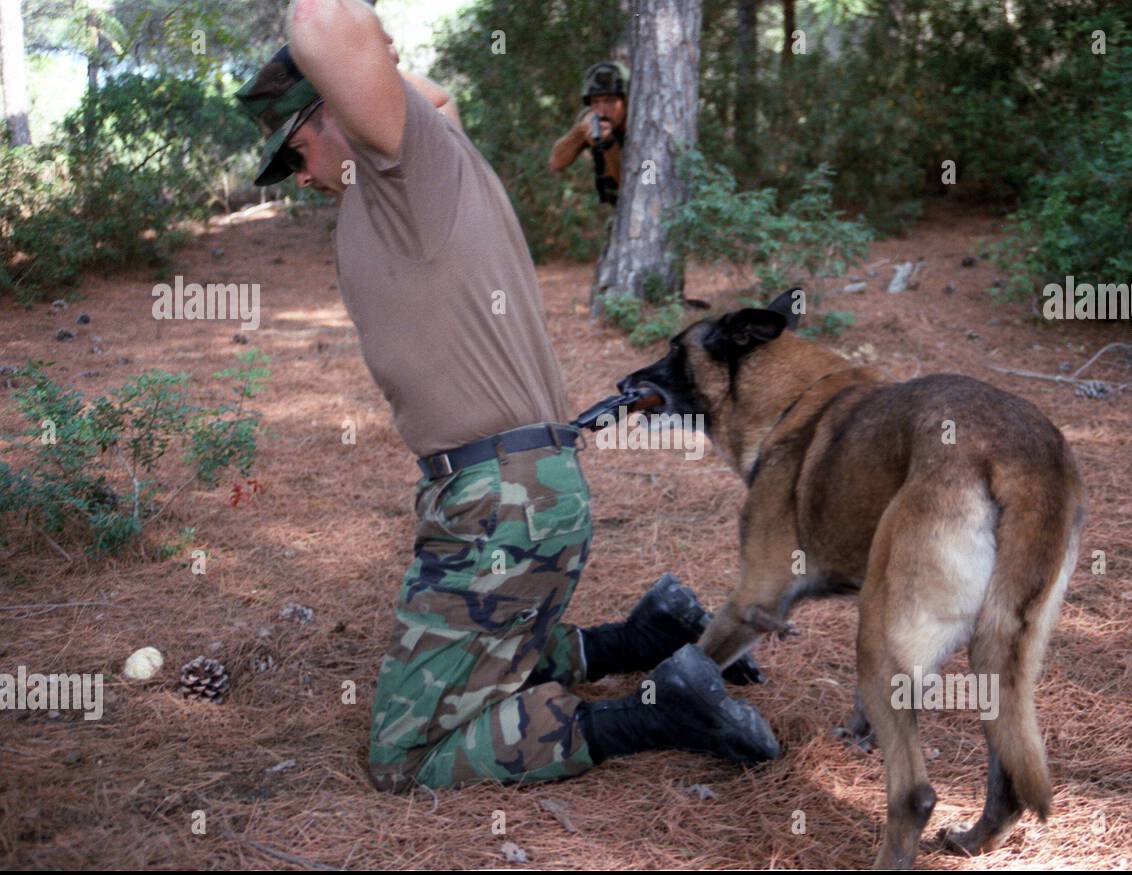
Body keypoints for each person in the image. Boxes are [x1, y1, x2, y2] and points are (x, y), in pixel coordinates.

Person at [233, 0, 775, 794]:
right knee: (468, 649)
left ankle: (661, 710)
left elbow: (320, 19)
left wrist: (365, 73)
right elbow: (436, 95)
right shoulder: (419, 156)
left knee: (402, 755)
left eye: (298, 150)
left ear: (339, 111)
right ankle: (642, 636)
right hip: (507, 499)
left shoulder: (404, 168)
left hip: (503, 506)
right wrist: (369, 87)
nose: (299, 175)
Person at [548, 61, 629, 206]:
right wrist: (580, 131)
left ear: (626, 100)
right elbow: (555, 163)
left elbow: (636, 187)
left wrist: (608, 145)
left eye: (610, 101)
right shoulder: (592, 119)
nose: (602, 111)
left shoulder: (642, 126)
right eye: (596, 102)